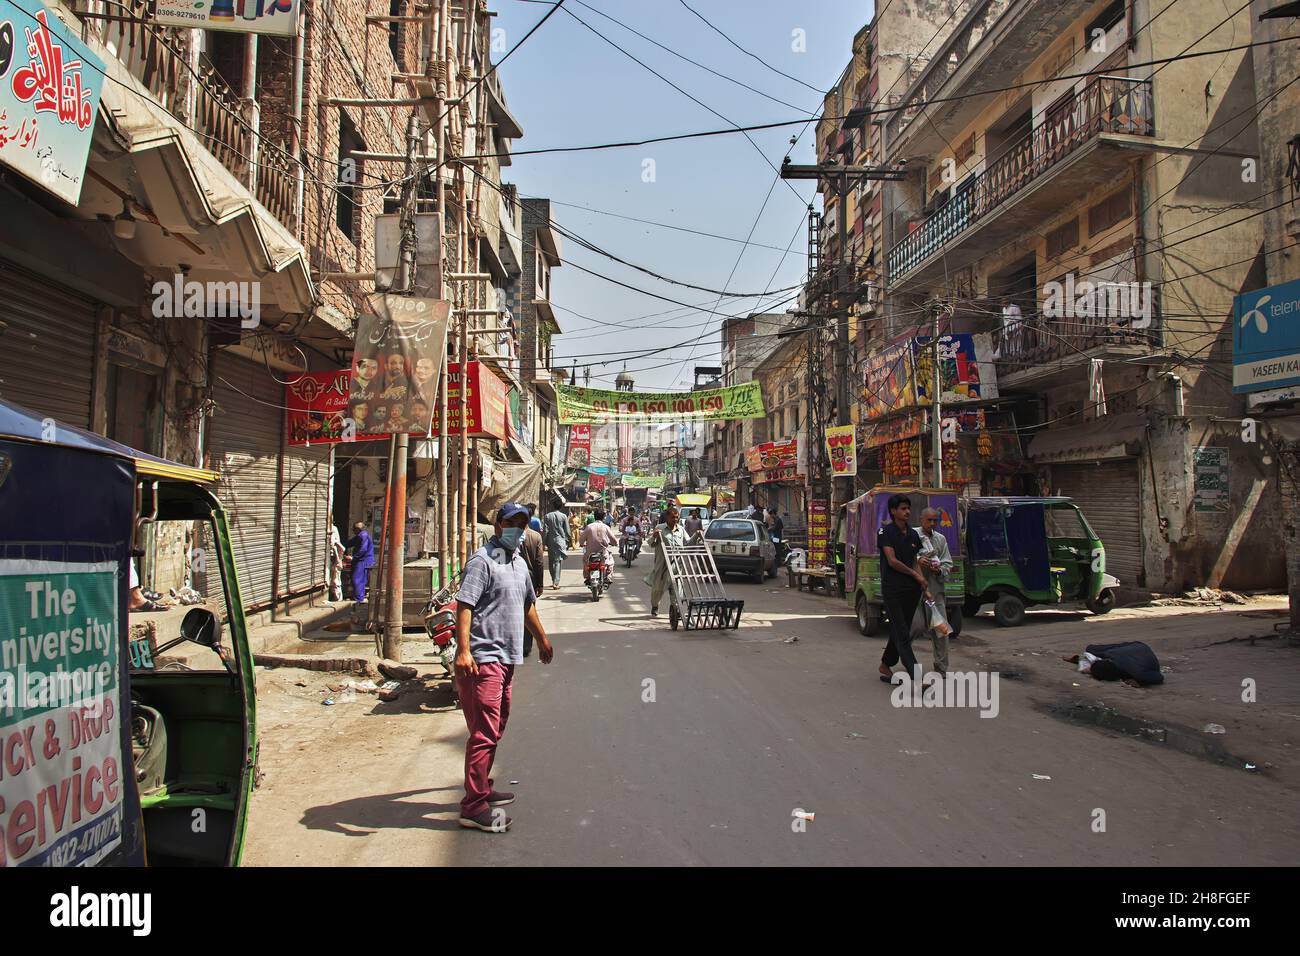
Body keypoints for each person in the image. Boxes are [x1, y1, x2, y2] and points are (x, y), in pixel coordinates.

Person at [454, 503, 554, 832]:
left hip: (509, 657)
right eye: (512, 523)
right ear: (498, 525)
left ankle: (482, 787)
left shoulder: (519, 563)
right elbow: (465, 605)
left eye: (522, 524)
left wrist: (542, 639)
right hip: (484, 658)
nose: (517, 529)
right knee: (484, 733)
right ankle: (473, 806)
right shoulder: (482, 561)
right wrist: (464, 651)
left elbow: (526, 605)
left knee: (496, 728)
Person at [877, 494, 928, 684]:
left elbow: (914, 560)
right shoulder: (885, 533)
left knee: (901, 629)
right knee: (903, 633)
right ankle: (916, 677)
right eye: (902, 508)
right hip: (893, 589)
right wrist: (915, 575)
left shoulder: (913, 534)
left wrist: (921, 580)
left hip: (912, 590)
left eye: (908, 508)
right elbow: (892, 561)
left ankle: (885, 664)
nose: (907, 511)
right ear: (893, 511)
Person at [913, 507, 954, 675]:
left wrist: (939, 569)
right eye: (929, 520)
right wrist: (918, 561)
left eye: (934, 521)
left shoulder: (940, 539)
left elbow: (948, 563)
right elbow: (903, 558)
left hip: (935, 593)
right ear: (921, 519)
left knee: (941, 631)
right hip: (915, 592)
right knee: (914, 628)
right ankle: (905, 661)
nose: (932, 524)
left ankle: (941, 668)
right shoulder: (913, 535)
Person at [643, 507, 696, 617]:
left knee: (676, 589)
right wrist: (654, 536)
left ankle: (676, 609)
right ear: (667, 517)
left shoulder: (681, 529)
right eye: (673, 517)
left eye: (677, 517)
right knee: (658, 589)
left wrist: (697, 536)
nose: (675, 519)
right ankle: (655, 606)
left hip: (677, 565)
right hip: (662, 565)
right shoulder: (660, 528)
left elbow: (688, 543)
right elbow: (651, 544)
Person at [579, 508, 618, 584]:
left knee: (585, 561)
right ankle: (608, 577)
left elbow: (581, 539)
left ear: (594, 516)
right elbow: (613, 539)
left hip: (590, 553)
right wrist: (615, 543)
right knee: (611, 562)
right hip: (603, 552)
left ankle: (587, 576)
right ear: (603, 517)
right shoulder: (606, 527)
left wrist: (581, 543)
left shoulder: (589, 527)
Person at [543, 500, 570, 590]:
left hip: (550, 541)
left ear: (552, 506)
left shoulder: (547, 516)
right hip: (560, 541)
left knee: (551, 561)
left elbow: (545, 530)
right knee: (557, 562)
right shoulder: (563, 516)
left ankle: (554, 580)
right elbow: (567, 530)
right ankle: (556, 582)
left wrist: (543, 542)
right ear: (561, 507)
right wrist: (568, 539)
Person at [348, 521, 376, 603]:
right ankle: (359, 597)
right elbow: (350, 543)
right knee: (359, 579)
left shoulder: (363, 536)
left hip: (363, 561)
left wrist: (353, 557)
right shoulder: (360, 536)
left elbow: (363, 549)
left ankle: (359, 600)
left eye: (354, 529)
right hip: (361, 560)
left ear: (358, 529)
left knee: (357, 579)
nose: (353, 530)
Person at [328, 523, 345, 601]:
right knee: (334, 578)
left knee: (336, 578)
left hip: (335, 558)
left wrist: (338, 558)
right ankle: (335, 596)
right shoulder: (330, 528)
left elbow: (339, 545)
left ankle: (337, 597)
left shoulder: (334, 529)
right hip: (333, 558)